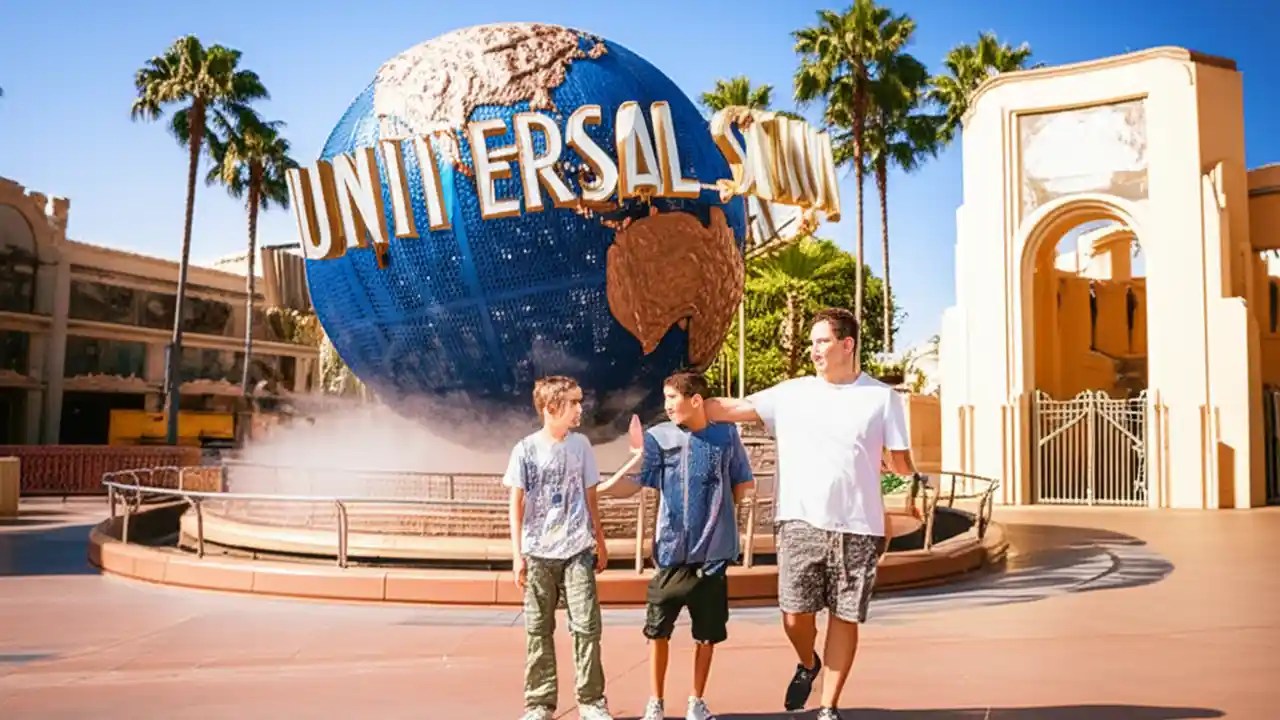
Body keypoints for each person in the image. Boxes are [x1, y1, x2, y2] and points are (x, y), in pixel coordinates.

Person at [703, 307, 916, 720]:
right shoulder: (791, 393)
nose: (814, 349)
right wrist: (690, 395)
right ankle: (808, 662)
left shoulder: (882, 398)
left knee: (845, 615)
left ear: (847, 344)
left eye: (822, 341)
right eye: (813, 342)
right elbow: (730, 409)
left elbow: (902, 463)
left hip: (859, 524)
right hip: (800, 519)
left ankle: (828, 707)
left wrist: (899, 468)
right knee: (795, 615)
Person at [599, 371, 755, 720]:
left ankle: (696, 702)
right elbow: (637, 481)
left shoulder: (726, 436)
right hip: (670, 553)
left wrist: (732, 521)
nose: (667, 405)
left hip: (713, 558)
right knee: (657, 631)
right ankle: (655, 703)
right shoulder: (658, 437)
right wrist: (599, 489)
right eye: (665, 398)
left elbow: (742, 482)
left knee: (707, 634)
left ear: (696, 400)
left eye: (673, 398)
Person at [505, 375, 613, 720]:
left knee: (587, 627)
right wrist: (517, 554)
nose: (581, 409)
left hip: (577, 548)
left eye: (580, 401)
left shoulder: (581, 446)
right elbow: (516, 503)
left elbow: (590, 494)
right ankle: (539, 703)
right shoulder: (524, 450)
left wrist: (600, 538)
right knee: (537, 629)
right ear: (552, 407)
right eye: (574, 402)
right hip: (538, 552)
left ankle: (591, 700)